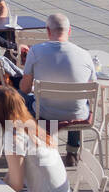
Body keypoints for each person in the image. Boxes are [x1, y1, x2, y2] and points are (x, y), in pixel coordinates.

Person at [19, 13, 94, 166]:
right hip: (77, 114)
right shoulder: (85, 55)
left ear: (48, 31)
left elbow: (25, 88)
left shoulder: (36, 51)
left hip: (45, 112)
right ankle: (72, 151)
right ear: (69, 31)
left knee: (20, 98)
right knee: (76, 101)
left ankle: (34, 147)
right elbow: (90, 88)